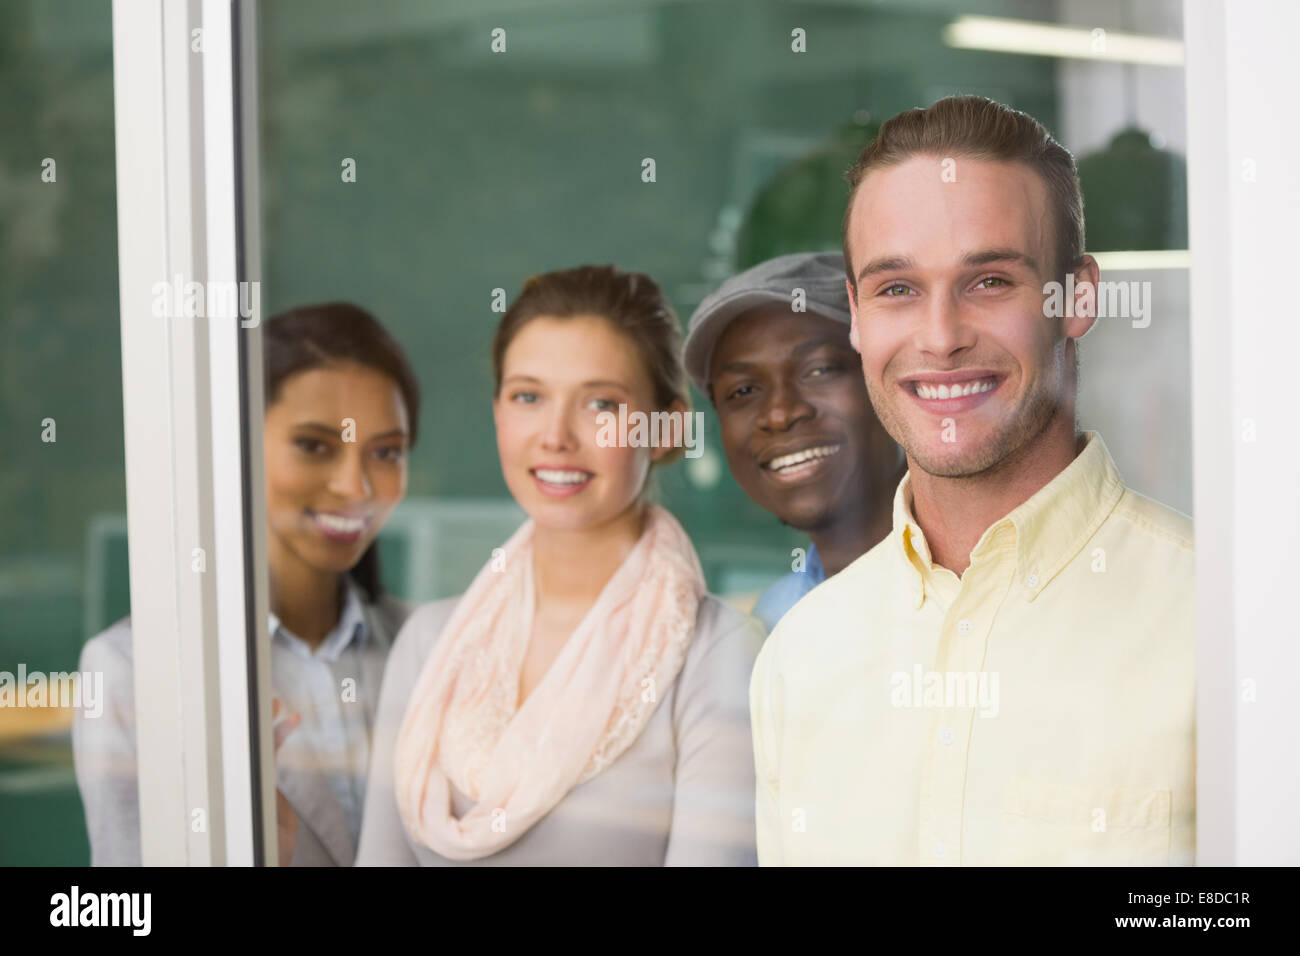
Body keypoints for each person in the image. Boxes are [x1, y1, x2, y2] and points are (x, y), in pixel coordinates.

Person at [751, 95, 1195, 865]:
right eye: (896, 289)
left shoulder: (1221, 625)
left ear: (1076, 297)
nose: (941, 336)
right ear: (855, 315)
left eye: (989, 281)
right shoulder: (802, 658)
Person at [357, 265, 762, 866]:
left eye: (601, 403)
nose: (555, 436)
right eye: (528, 396)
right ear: (498, 412)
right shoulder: (427, 646)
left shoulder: (717, 654)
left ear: (667, 429)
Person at [73, 303, 420, 866]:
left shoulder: (430, 645)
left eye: (385, 453)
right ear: (233, 447)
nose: (355, 486)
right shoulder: (134, 671)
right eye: (314, 445)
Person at [683, 252, 904, 632]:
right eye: (744, 390)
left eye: (820, 369)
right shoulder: (773, 624)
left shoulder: (987, 585)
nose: (781, 413)